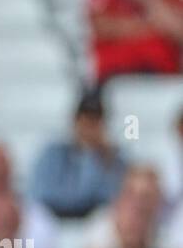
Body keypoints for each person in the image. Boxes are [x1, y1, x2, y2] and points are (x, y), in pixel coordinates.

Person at [30, 89, 126, 220]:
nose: (89, 128)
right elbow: (42, 195)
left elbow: (114, 199)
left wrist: (94, 156)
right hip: (55, 224)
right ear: (75, 121)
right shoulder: (53, 154)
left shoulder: (114, 159)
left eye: (95, 121)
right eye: (85, 120)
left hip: (96, 227)